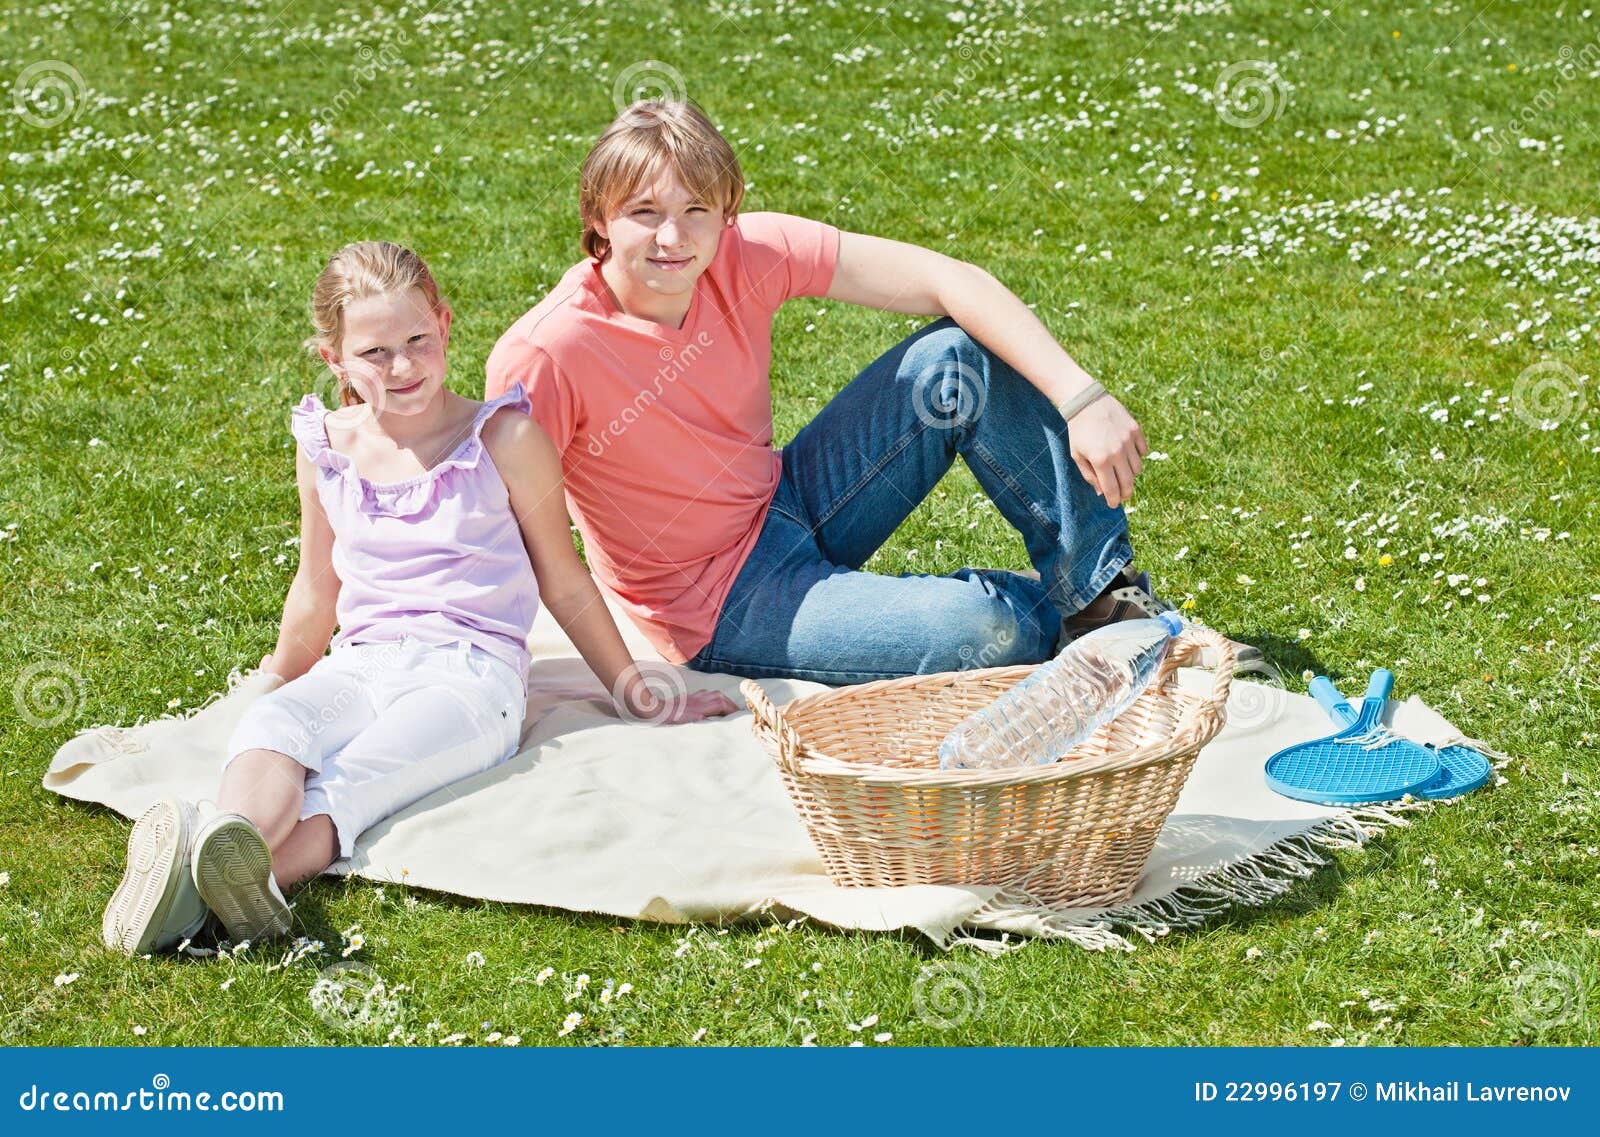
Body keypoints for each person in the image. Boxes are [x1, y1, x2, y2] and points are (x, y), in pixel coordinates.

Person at [102, 240, 736, 956]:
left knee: (352, 780)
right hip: (362, 663)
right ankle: (219, 850)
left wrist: (635, 689)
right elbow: (317, 585)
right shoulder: (327, 445)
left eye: (417, 341)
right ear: (333, 358)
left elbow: (564, 577)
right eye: (375, 353)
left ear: (445, 324)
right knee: (275, 727)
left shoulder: (503, 436)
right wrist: (273, 678)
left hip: (469, 677)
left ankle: (200, 900)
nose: (403, 367)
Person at [486, 99, 1260, 685]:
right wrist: (628, 684)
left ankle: (1099, 598)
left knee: (955, 359)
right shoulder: (545, 351)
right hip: (718, 605)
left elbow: (947, 281)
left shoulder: (745, 251)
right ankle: (1040, 610)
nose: (673, 239)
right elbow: (520, 537)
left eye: (696, 211)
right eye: (643, 214)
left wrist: (1082, 395)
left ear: (726, 211)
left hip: (787, 499)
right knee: (984, 631)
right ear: (597, 222)